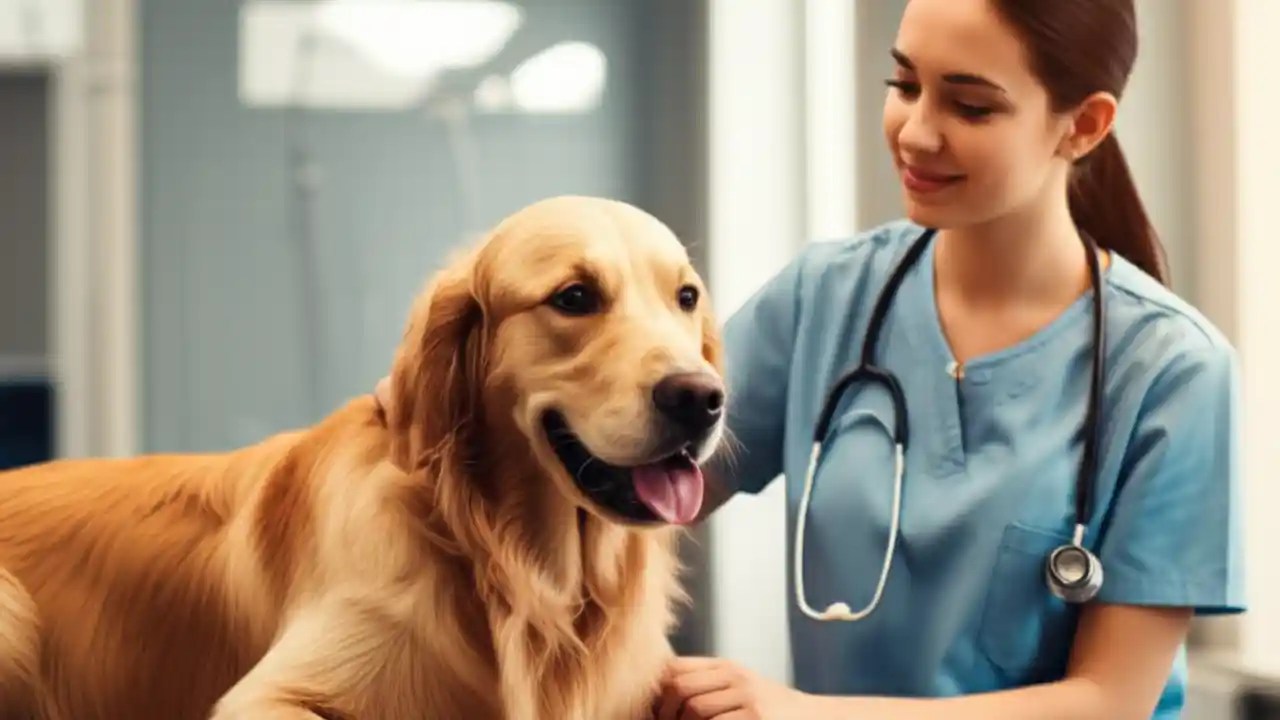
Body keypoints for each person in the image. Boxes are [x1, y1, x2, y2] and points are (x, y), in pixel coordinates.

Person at [377, 0, 1243, 717]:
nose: (916, 132)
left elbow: (1111, 700)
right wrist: (451, 392)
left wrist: (800, 713)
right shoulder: (827, 298)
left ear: (1083, 126)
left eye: (970, 106)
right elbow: (628, 483)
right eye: (903, 84)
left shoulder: (1171, 372)